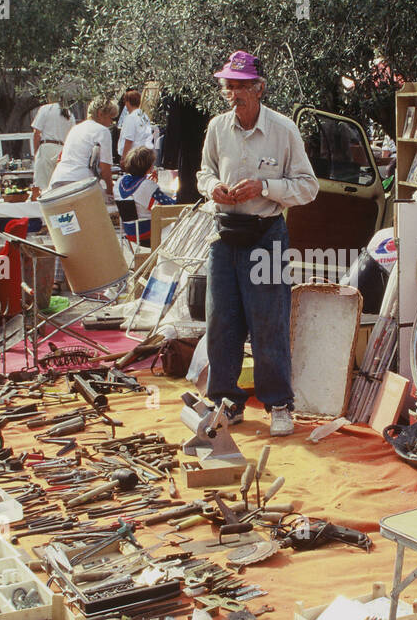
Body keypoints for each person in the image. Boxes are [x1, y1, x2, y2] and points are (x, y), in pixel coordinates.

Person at [197, 50, 319, 437]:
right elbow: (204, 171)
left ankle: (279, 404)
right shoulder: (217, 128)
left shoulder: (283, 130)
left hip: (266, 235)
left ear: (259, 88)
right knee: (221, 322)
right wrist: (212, 187)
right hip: (224, 233)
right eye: (228, 86)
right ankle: (226, 401)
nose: (234, 94)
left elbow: (308, 187)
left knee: (269, 322)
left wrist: (265, 187)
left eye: (241, 86)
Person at [48, 97, 116, 193]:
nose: (111, 122)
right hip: (80, 181)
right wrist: (110, 190)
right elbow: (105, 167)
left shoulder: (76, 128)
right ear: (101, 114)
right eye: (111, 118)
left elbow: (60, 158)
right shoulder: (102, 131)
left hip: (58, 178)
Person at [114, 145, 175, 246]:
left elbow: (139, 196)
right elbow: (169, 208)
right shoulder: (147, 186)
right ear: (149, 166)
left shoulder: (119, 182)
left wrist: (149, 183)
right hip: (146, 233)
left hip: (129, 232)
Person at [30, 99, 75, 200]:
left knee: (45, 187)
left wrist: (36, 152)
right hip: (62, 150)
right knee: (60, 187)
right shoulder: (69, 113)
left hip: (47, 148)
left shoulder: (46, 109)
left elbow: (36, 133)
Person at [117, 88, 152, 161]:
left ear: (127, 102)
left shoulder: (131, 118)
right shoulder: (144, 116)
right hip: (144, 154)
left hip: (133, 156)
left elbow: (129, 140)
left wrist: (123, 159)